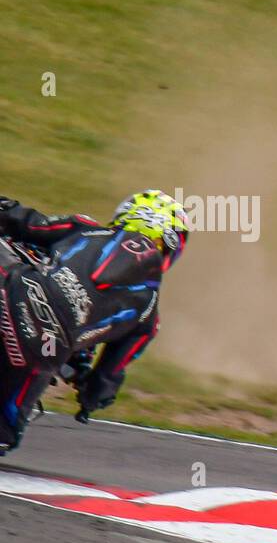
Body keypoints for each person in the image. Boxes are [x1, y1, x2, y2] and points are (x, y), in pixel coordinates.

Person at [0, 190, 190, 453]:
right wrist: (88, 398)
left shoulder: (86, 229)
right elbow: (105, 381)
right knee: (5, 430)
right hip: (45, 352)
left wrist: (6, 207)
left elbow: (25, 222)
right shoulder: (149, 316)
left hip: (14, 293)